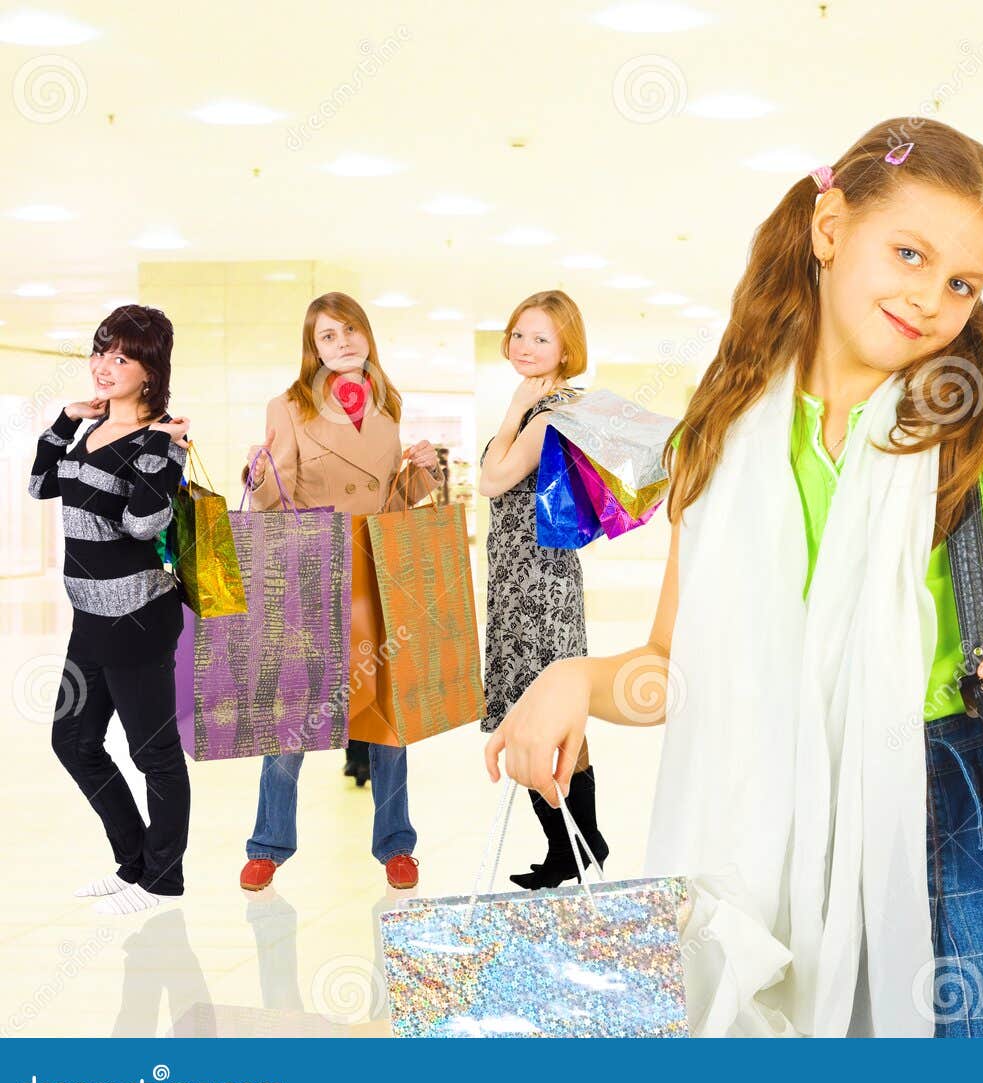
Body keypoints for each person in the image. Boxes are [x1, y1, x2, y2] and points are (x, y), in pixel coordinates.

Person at [487, 118, 983, 1037]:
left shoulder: (978, 419)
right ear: (830, 229)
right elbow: (670, 667)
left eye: (962, 282)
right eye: (909, 253)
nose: (931, 298)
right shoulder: (721, 436)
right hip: (766, 821)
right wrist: (568, 679)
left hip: (946, 808)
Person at [237, 292, 443, 892]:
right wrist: (257, 474)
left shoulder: (387, 403)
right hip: (314, 566)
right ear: (314, 348)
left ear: (367, 335)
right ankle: (268, 844)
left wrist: (423, 471)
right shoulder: (289, 406)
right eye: (327, 336)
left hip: (376, 569)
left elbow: (391, 504)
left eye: (350, 331)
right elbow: (275, 498)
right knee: (292, 713)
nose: (342, 343)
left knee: (386, 714)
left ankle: (396, 844)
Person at [31, 304, 193, 915]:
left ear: (149, 371)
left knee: (153, 754)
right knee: (72, 740)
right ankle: (133, 864)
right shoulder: (89, 428)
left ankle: (163, 879)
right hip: (90, 615)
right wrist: (64, 420)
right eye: (101, 351)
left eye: (121, 356)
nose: (104, 365)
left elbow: (143, 522)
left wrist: (159, 452)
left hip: (137, 615)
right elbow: (41, 485)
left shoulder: (161, 440)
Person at [478, 290, 608, 889]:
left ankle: (576, 845)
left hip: (539, 587)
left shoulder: (550, 410)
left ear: (565, 349)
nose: (525, 347)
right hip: (519, 579)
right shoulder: (541, 405)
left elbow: (493, 479)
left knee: (540, 714)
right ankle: (574, 848)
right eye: (519, 334)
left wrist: (510, 414)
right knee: (542, 713)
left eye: (541, 339)